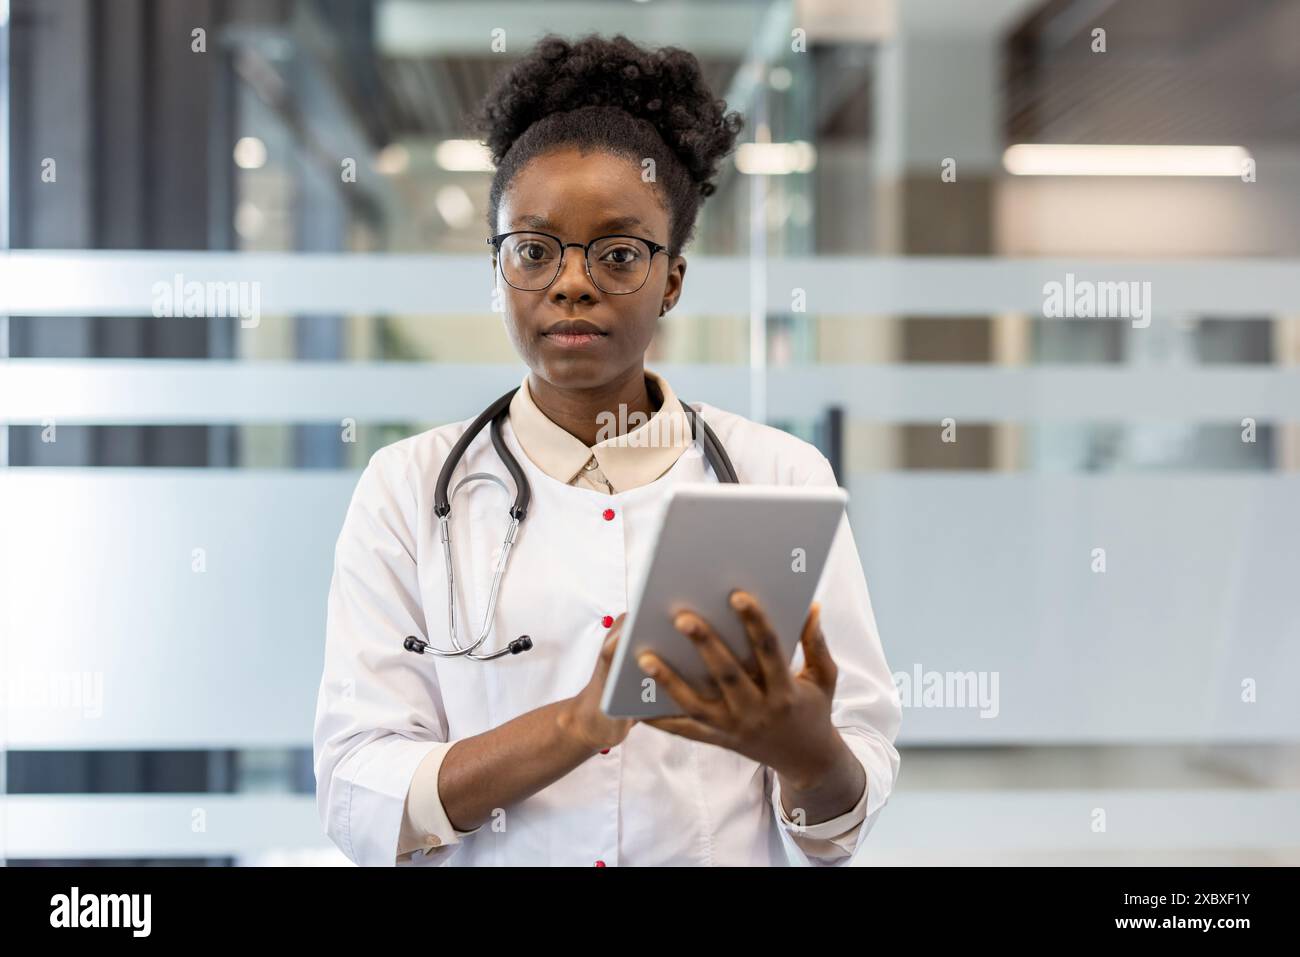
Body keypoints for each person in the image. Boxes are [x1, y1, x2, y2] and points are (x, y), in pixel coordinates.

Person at [313, 32, 901, 867]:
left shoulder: (779, 476)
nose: (572, 282)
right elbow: (356, 790)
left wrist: (808, 756)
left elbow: (843, 810)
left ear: (672, 281)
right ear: (497, 272)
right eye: (533, 250)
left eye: (619, 254)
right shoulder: (406, 489)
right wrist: (575, 724)